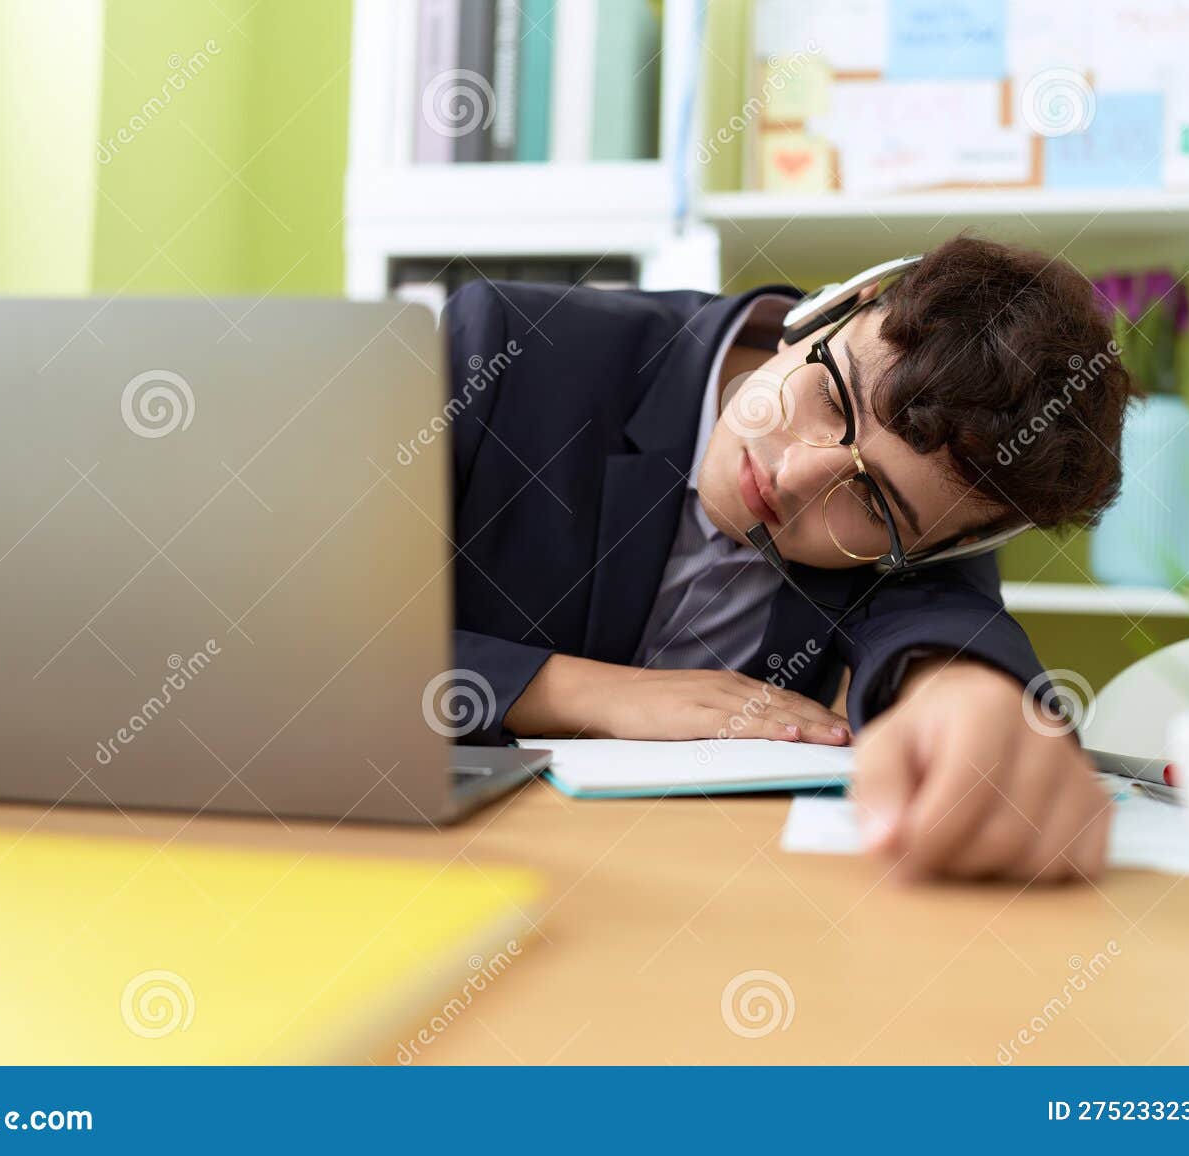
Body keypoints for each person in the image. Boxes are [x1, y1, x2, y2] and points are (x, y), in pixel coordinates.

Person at [439, 235, 1131, 882]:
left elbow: (943, 624)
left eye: (870, 500)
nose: (797, 474)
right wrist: (581, 693)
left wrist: (968, 696)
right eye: (831, 398)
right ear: (833, 308)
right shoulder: (508, 346)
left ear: (940, 546)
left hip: (693, 895)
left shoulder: (923, 527)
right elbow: (334, 639)